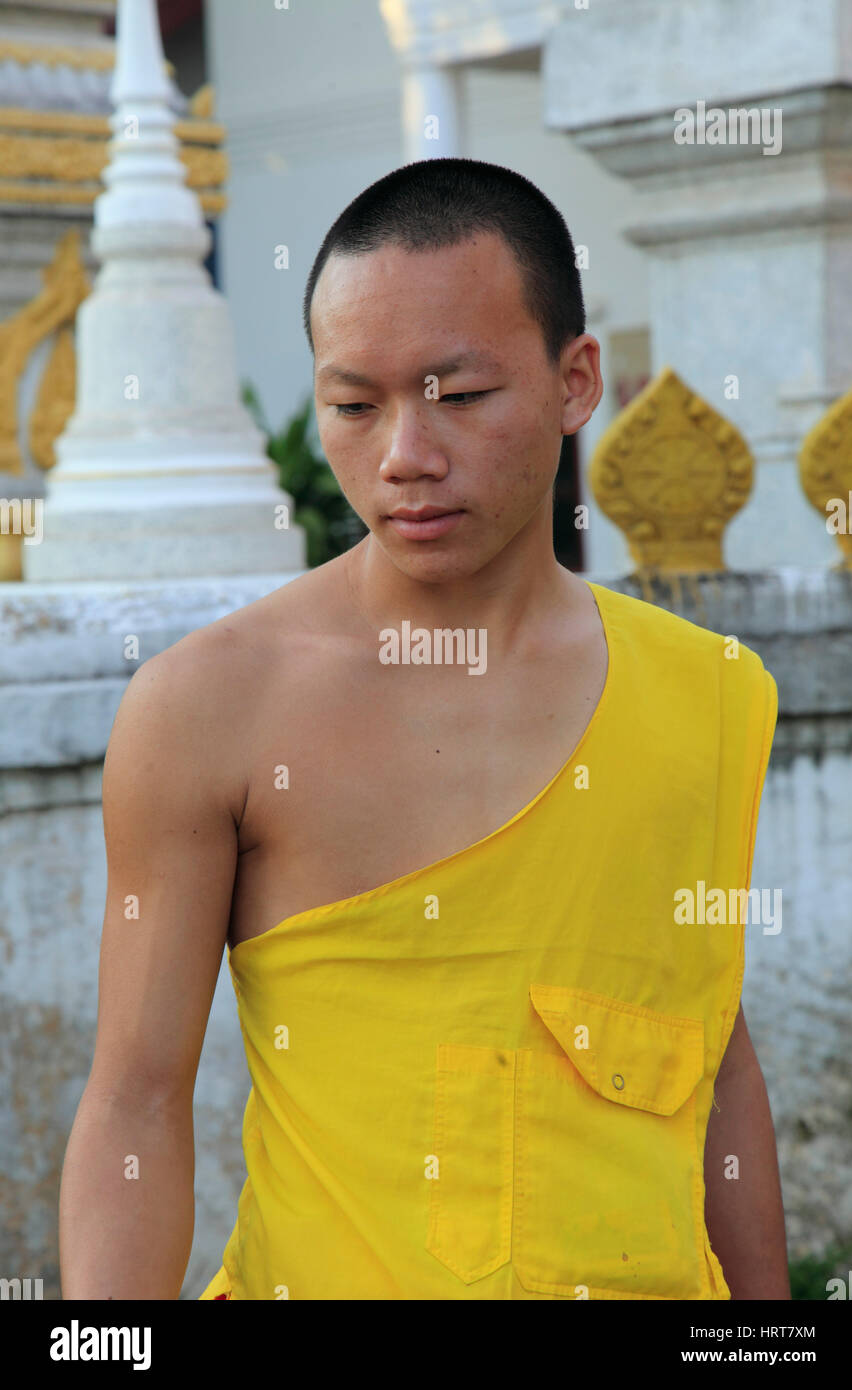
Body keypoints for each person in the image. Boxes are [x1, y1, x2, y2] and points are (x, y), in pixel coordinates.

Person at [59, 157, 789, 1301]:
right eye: (353, 405)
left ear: (574, 379)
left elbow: (706, 1051)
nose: (403, 453)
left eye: (458, 393)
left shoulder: (706, 693)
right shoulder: (209, 706)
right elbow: (134, 1100)